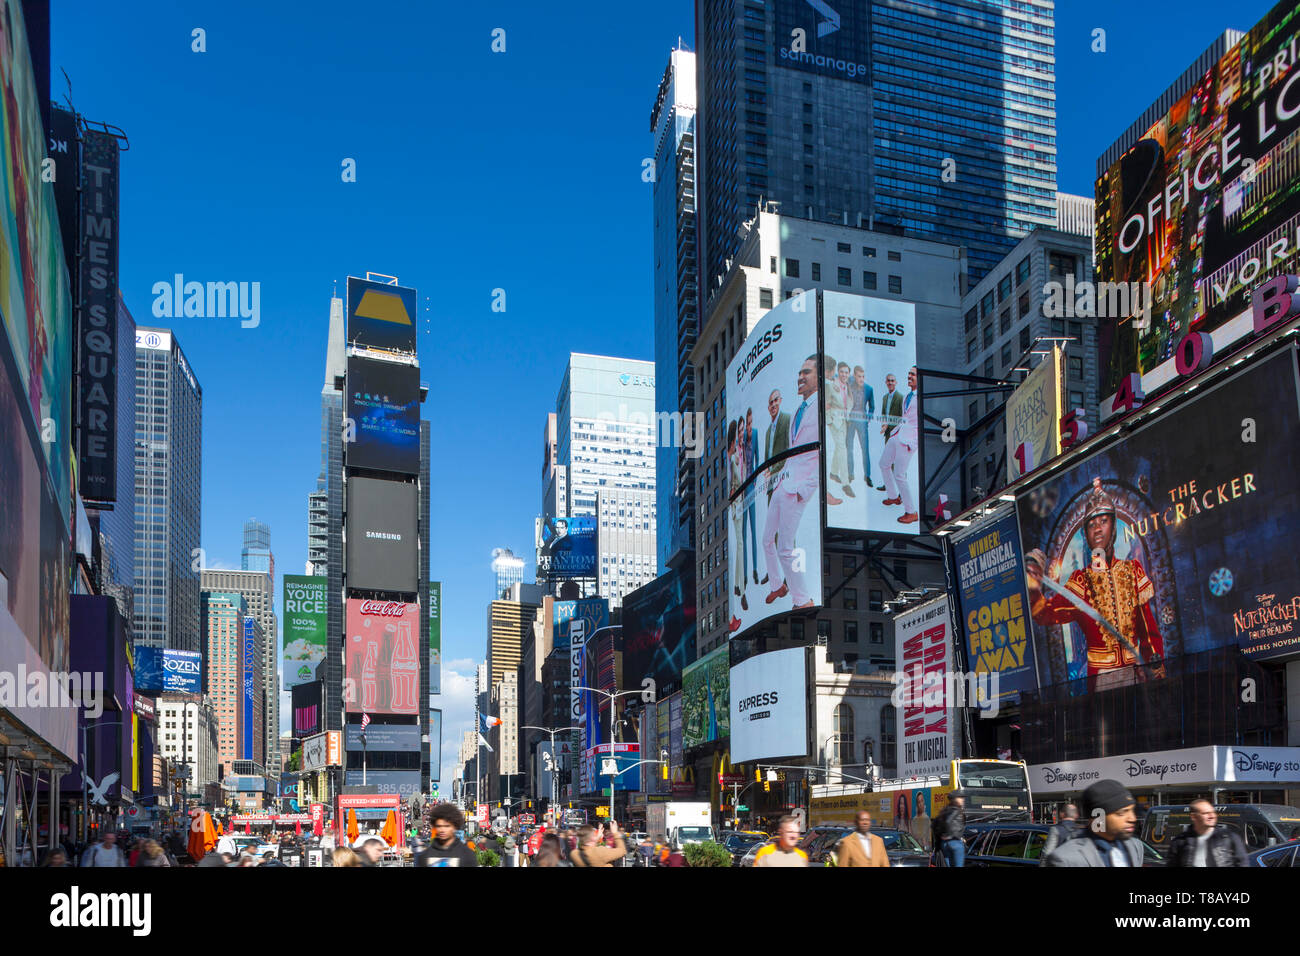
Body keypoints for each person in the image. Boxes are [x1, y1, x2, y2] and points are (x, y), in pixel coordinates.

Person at [1026, 477, 1165, 689]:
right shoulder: (1080, 581)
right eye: (1091, 524)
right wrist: (1032, 584)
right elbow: (1046, 614)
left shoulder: (1132, 571)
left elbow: (1147, 630)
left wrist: (1156, 668)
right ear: (1086, 534)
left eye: (1103, 521)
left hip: (1136, 674)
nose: (1097, 529)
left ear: (1113, 525)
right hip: (1101, 679)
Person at [762, 356, 821, 611]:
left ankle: (802, 599)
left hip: (798, 488)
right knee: (767, 540)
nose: (800, 377)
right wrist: (779, 480)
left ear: (819, 377)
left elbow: (822, 453)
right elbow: (794, 451)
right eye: (799, 371)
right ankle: (778, 585)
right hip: (783, 483)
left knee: (785, 547)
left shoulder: (821, 407)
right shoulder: (800, 408)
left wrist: (805, 489)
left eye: (806, 372)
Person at [1044, 779, 1145, 867]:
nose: (1133, 818)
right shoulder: (1065, 859)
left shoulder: (1136, 846)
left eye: (1132, 810)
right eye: (1121, 813)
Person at [879, 366, 919, 524]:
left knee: (900, 475)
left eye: (913, 374)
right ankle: (893, 497)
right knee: (883, 464)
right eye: (909, 373)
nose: (909, 376)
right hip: (897, 434)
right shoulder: (907, 396)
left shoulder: (922, 397)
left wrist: (913, 443)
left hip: (908, 441)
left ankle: (911, 511)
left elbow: (920, 424)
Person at [1167, 800, 1248, 867]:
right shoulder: (1180, 842)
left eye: (1213, 812)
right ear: (1193, 817)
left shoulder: (1229, 838)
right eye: (1205, 813)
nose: (1212, 816)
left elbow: (1242, 863)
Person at [727, 420, 749, 627]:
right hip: (736, 506)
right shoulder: (733, 458)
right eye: (738, 434)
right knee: (739, 547)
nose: (740, 437)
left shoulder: (738, 455)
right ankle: (740, 589)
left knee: (738, 548)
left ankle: (737, 585)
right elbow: (735, 484)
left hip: (737, 506)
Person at [415, 803, 479, 867]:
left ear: (454, 826)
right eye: (439, 826)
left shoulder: (467, 856)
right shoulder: (424, 857)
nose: (442, 830)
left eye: (447, 826)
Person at [824, 355, 849, 495]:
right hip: (835, 421)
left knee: (840, 448)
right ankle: (845, 483)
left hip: (843, 421)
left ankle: (833, 473)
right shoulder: (829, 384)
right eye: (840, 371)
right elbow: (827, 403)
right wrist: (829, 420)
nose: (843, 374)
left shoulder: (843, 385)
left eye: (846, 372)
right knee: (842, 449)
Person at [762, 389, 791, 509]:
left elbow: (789, 450)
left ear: (780, 400)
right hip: (770, 482)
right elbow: (767, 457)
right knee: (772, 519)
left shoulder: (787, 419)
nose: (773, 404)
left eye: (775, 400)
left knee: (784, 516)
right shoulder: (768, 431)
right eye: (770, 403)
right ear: (768, 407)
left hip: (783, 477)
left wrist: (775, 471)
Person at [848, 365, 874, 489]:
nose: (861, 379)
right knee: (849, 448)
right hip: (850, 421)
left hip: (862, 422)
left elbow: (872, 407)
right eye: (859, 376)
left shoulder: (869, 389)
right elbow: (837, 376)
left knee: (865, 450)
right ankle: (850, 474)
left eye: (863, 376)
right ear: (854, 376)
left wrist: (868, 418)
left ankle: (867, 476)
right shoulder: (849, 384)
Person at [933, 792, 967, 867]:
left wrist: (941, 837)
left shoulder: (944, 810)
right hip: (955, 842)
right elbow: (948, 821)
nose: (963, 800)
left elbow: (933, 824)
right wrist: (951, 835)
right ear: (954, 799)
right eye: (960, 798)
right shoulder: (956, 809)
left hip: (944, 844)